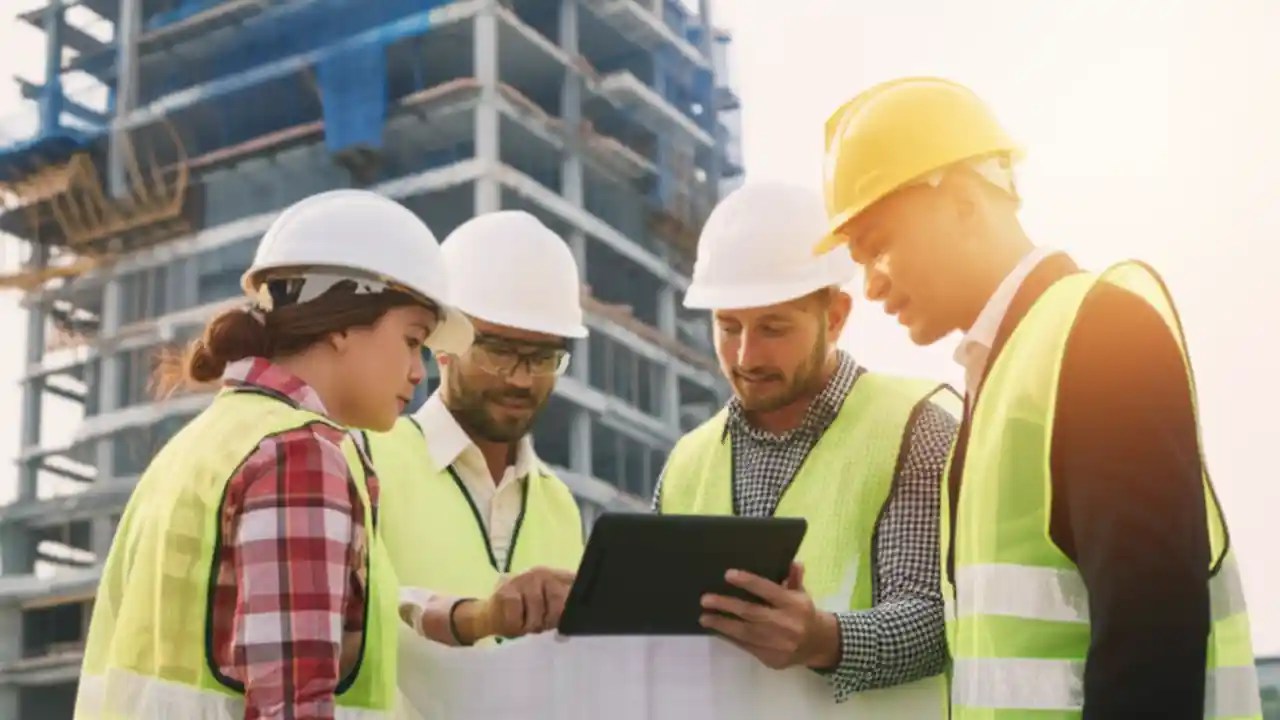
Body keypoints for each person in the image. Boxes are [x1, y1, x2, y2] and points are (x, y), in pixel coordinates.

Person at [817, 76, 1263, 719]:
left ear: (966, 204)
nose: (872, 287)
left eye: (879, 246)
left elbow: (1151, 640)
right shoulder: (999, 377)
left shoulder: (1100, 332)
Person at [73, 189, 473, 720]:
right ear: (342, 324)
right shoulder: (299, 458)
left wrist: (473, 618)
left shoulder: (201, 445)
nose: (420, 371)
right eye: (412, 339)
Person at [654, 181, 961, 716]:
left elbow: (935, 621)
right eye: (728, 327)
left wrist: (824, 639)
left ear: (836, 316)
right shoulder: (687, 463)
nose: (746, 355)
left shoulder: (913, 427)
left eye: (773, 328)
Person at [364, 211, 586, 647]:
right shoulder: (366, 459)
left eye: (542, 359)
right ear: (441, 346)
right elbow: (345, 616)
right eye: (499, 353)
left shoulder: (559, 505)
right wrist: (477, 618)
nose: (521, 379)